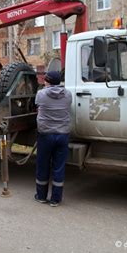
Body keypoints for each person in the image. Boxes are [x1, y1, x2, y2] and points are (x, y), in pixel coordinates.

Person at [34, 71, 72, 207]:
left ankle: (41, 196)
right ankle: (56, 199)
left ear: (47, 81)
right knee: (59, 167)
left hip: (46, 135)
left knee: (43, 165)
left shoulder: (41, 94)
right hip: (63, 135)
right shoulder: (68, 94)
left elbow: (38, 107)